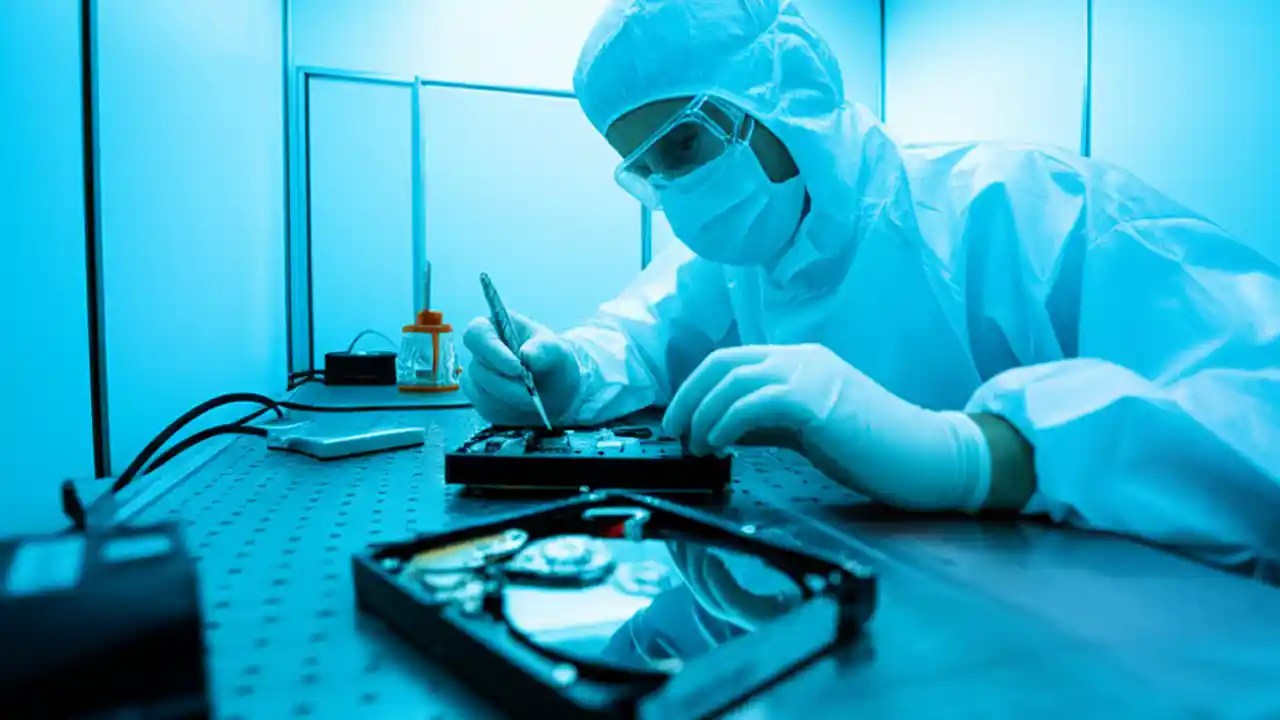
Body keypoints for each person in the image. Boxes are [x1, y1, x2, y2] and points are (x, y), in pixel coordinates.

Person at [461, 0, 1280, 576]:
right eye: (647, 171)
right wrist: (566, 372)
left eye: (683, 147)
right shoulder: (749, 251)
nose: (676, 193)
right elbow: (640, 337)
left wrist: (972, 456)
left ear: (777, 89)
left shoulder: (1031, 209)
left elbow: (1259, 407)